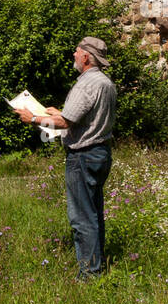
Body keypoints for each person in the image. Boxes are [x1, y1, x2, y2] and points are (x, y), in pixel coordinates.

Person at [15, 36, 116, 279]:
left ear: (86, 57)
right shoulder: (105, 83)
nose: (73, 54)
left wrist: (34, 119)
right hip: (100, 153)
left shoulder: (86, 83)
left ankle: (90, 275)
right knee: (93, 213)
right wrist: (60, 113)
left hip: (83, 155)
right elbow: (84, 118)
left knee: (82, 217)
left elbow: (64, 123)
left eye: (77, 51)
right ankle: (96, 266)